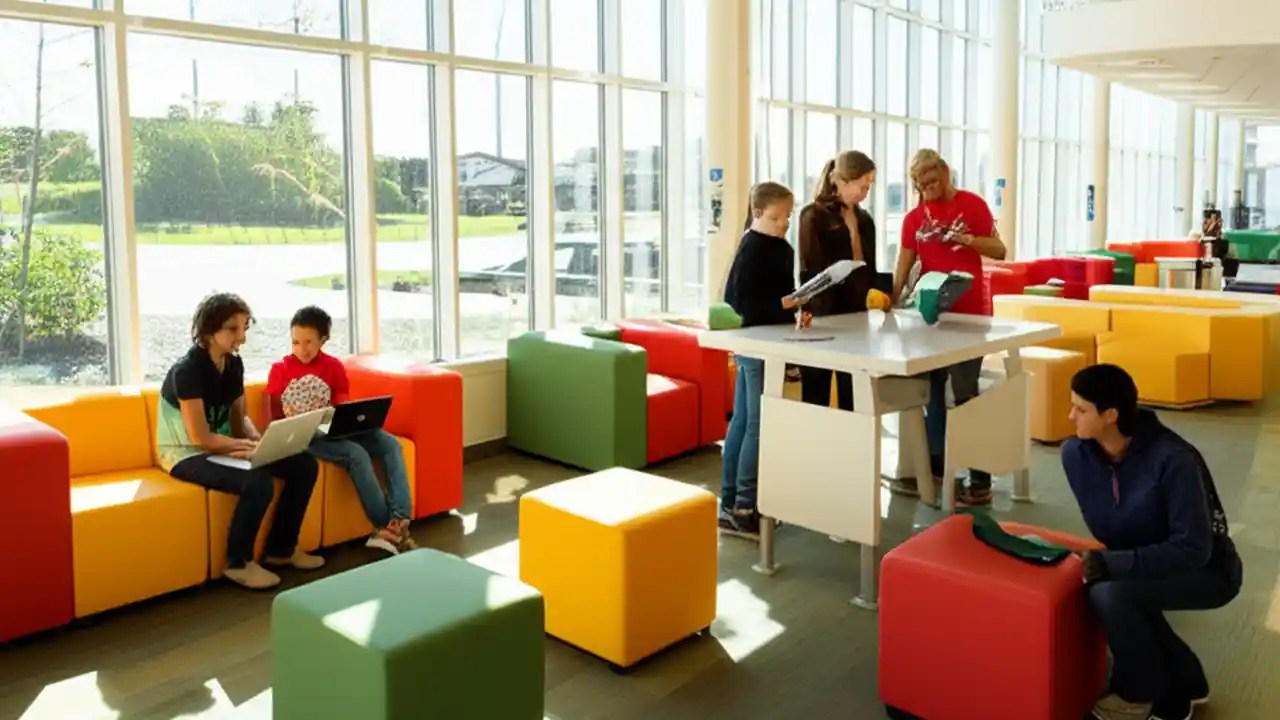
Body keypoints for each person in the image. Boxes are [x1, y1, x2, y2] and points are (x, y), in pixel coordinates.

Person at [1063, 364, 1241, 720]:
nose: (1071, 417)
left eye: (1081, 409)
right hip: (1147, 556)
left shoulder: (1174, 459)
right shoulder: (1077, 455)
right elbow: (1112, 527)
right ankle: (1186, 681)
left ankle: (1138, 694)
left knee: (1110, 593)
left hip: (1206, 569)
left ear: (1111, 415)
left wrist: (1114, 564)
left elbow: (1193, 549)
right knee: (1110, 587)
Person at [157, 293, 324, 590]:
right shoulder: (187, 371)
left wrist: (261, 442)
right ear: (210, 329)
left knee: (303, 465)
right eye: (233, 329)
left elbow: (239, 421)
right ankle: (238, 563)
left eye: (245, 328)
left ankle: (281, 550)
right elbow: (201, 438)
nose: (242, 338)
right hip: (186, 454)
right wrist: (245, 449)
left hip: (222, 446)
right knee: (257, 481)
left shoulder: (233, 366)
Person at [891, 149, 1006, 505]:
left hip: (970, 314)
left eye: (933, 181)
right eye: (921, 184)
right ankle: (937, 471)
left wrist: (969, 240)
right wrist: (893, 299)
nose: (928, 189)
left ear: (945, 172)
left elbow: (1000, 250)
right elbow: (904, 261)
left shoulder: (973, 205)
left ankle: (980, 478)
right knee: (933, 392)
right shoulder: (914, 219)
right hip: (932, 315)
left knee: (966, 394)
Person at [267, 306, 417, 555]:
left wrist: (348, 422)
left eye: (308, 342)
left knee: (390, 443)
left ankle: (399, 521)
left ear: (323, 340)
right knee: (355, 454)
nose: (301, 349)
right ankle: (384, 527)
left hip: (332, 427)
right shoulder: (280, 370)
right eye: (295, 342)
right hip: (302, 434)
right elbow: (273, 418)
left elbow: (341, 409)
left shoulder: (333, 367)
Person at [720, 181, 808, 539]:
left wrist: (796, 307)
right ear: (757, 214)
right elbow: (738, 302)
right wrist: (784, 305)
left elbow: (781, 295)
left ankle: (733, 501)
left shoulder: (781, 248)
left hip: (772, 342)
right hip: (754, 343)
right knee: (754, 423)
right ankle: (742, 504)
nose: (783, 224)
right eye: (776, 217)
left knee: (745, 420)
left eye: (787, 217)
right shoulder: (751, 246)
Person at [797, 150, 878, 411]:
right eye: (862, 186)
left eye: (870, 186)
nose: (866, 192)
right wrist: (807, 314)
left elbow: (870, 268)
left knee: (852, 389)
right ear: (841, 182)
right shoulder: (813, 216)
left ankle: (851, 448)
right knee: (816, 390)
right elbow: (809, 271)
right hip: (822, 314)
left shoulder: (865, 220)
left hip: (855, 313)